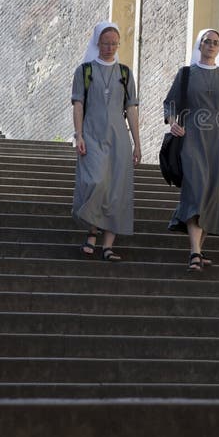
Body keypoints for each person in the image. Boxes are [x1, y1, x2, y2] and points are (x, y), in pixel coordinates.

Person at [163, 29, 219, 271]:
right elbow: (170, 103)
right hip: (192, 140)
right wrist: (172, 122)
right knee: (196, 191)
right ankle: (195, 252)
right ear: (199, 45)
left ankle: (198, 249)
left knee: (212, 195)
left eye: (215, 43)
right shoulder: (186, 74)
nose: (211, 45)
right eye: (207, 42)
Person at [71, 20, 141, 261]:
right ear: (97, 42)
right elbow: (78, 104)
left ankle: (108, 245)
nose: (109, 47)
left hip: (119, 137)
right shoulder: (84, 71)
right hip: (91, 132)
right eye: (105, 43)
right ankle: (92, 231)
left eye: (114, 43)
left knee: (116, 189)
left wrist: (137, 143)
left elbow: (131, 108)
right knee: (95, 181)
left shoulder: (125, 73)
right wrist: (78, 134)